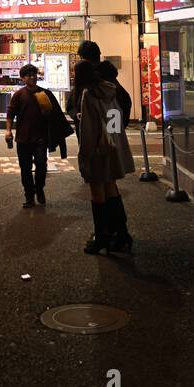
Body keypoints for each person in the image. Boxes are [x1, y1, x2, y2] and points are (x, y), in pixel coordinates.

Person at [77, 62, 135, 254]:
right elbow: (115, 119)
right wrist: (112, 140)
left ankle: (101, 238)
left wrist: (85, 155)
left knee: (97, 192)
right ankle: (122, 235)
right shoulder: (110, 89)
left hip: (97, 152)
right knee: (111, 188)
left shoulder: (89, 94)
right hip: (111, 147)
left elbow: (88, 131)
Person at [5, 64, 69, 208]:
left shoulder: (45, 94)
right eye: (28, 75)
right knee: (25, 168)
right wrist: (8, 131)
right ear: (23, 78)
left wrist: (49, 116)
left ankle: (39, 189)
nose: (32, 77)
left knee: (41, 164)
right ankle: (29, 196)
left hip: (41, 138)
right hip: (22, 138)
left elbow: (56, 116)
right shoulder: (19, 95)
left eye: (34, 74)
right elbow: (10, 115)